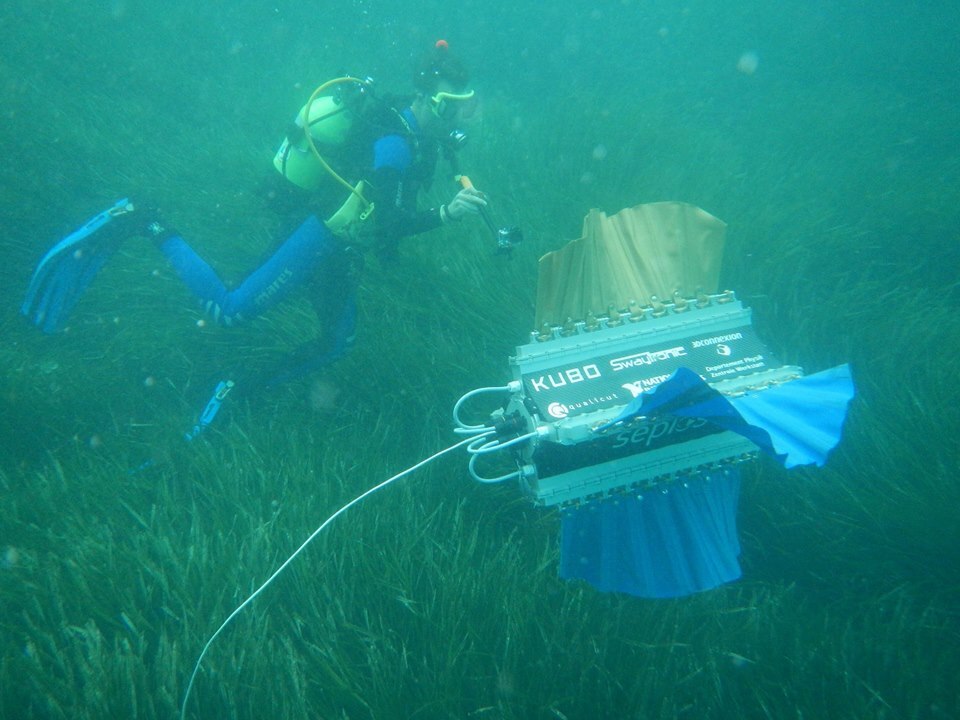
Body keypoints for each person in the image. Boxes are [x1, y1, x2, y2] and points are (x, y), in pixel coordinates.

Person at [22, 40, 486, 395]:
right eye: (448, 106)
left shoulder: (422, 134)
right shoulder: (395, 144)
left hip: (341, 247)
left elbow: (388, 213)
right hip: (317, 234)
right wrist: (446, 213)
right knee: (228, 311)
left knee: (337, 341)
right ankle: (144, 219)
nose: (455, 117)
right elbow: (387, 222)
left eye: (464, 105)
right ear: (426, 99)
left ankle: (237, 391)